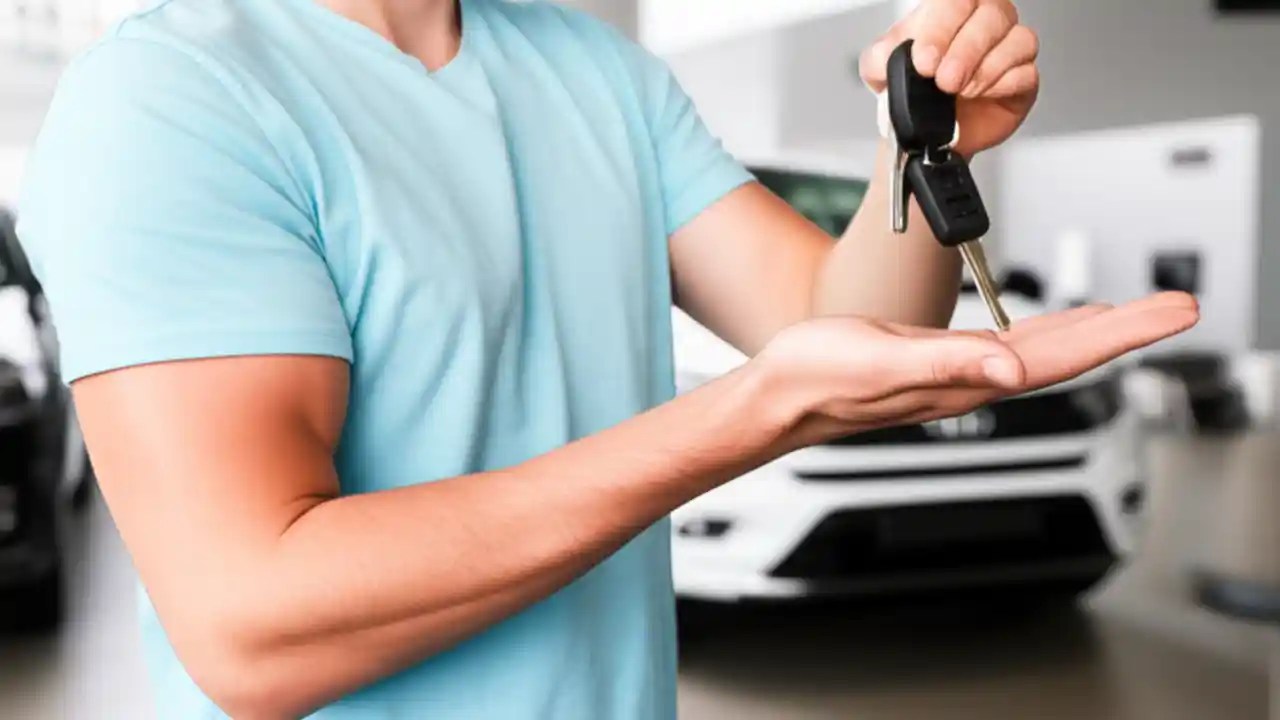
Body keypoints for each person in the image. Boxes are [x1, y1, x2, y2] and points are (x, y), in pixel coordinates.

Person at [17, 0, 1197, 717]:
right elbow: (251, 627)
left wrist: (918, 150)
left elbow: (833, 318)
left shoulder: (595, 70)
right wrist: (751, 416)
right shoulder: (171, 97)